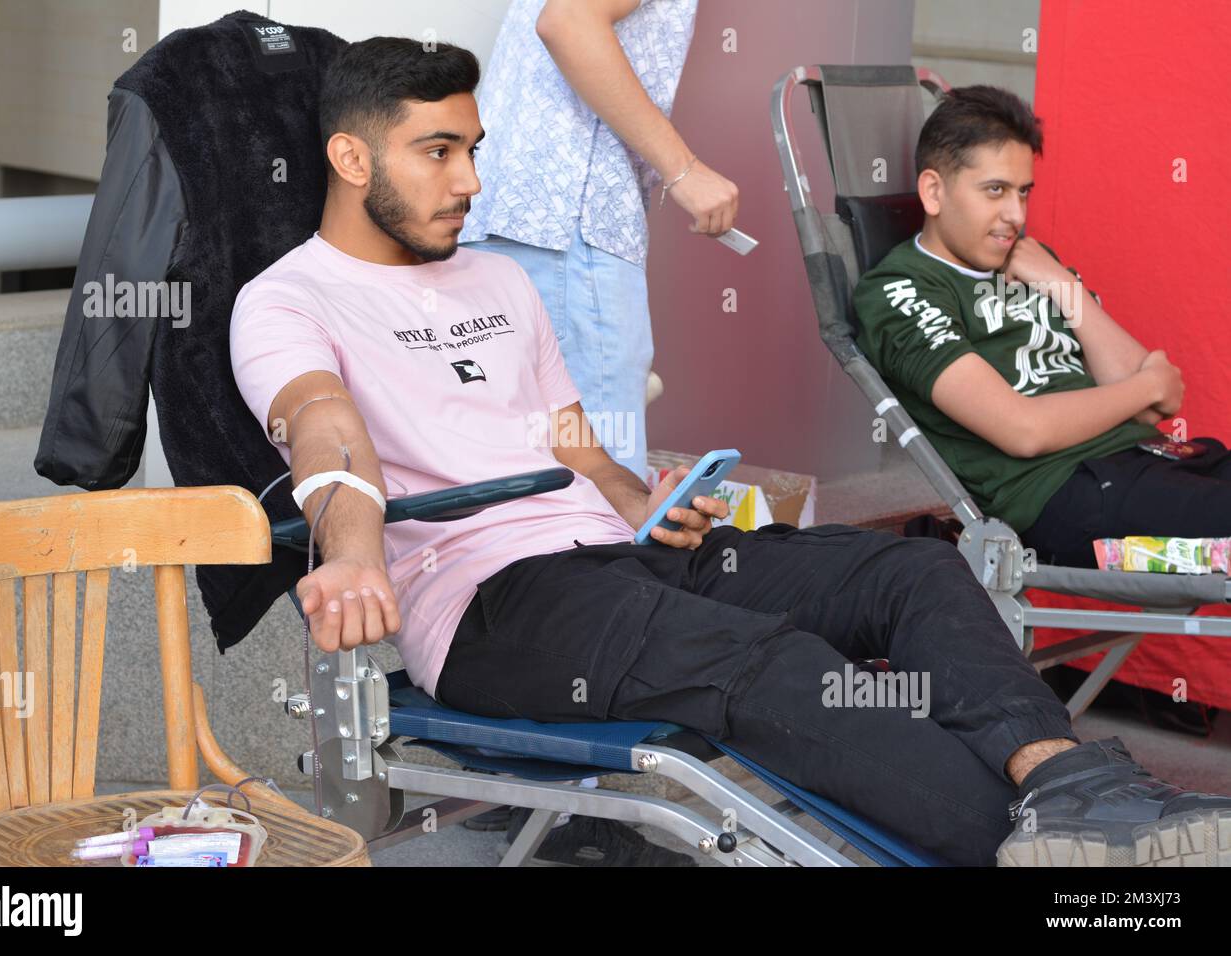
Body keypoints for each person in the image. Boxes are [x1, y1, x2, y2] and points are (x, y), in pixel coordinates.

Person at [230, 40, 1231, 867]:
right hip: (495, 603)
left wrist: (647, 499)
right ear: (352, 160)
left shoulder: (495, 279)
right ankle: (1042, 855)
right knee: (768, 662)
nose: (470, 181)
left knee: (911, 569)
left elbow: (571, 440)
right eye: (437, 152)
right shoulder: (287, 297)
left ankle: (1068, 787)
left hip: (622, 558)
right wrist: (354, 549)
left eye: (473, 150)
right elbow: (327, 428)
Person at [852, 85, 1231, 572]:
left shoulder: (1032, 261)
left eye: (1023, 191)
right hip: (1063, 495)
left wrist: (1060, 284)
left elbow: (1162, 403)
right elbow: (1022, 430)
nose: (1015, 215)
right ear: (934, 191)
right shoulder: (900, 291)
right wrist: (1143, 387)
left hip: (1149, 460)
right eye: (995, 190)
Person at [459, 0, 738, 480]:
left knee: (513, 477)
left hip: (518, 215)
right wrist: (684, 169)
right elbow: (568, 22)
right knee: (604, 484)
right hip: (567, 224)